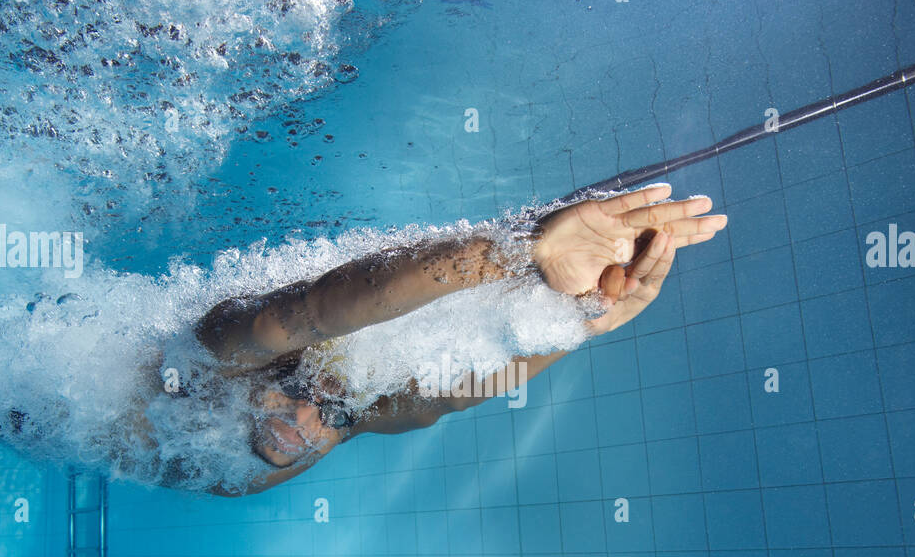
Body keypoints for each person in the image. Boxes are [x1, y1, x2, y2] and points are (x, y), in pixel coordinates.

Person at [179, 185, 726, 497]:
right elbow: (445, 398)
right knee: (414, 405)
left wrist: (517, 253)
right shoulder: (334, 420)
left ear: (249, 396)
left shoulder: (212, 358)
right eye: (317, 430)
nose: (310, 412)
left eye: (281, 413)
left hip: (234, 350)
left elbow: (313, 312)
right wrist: (576, 323)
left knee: (287, 328)